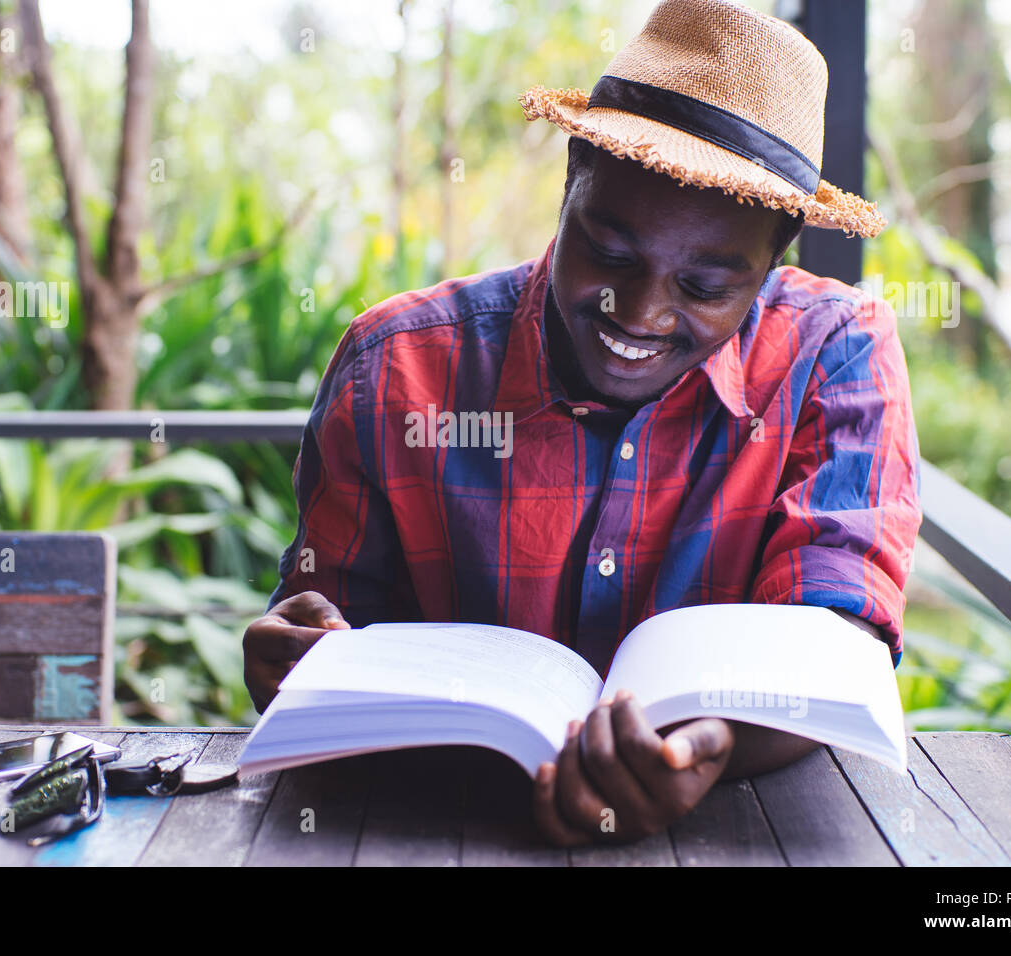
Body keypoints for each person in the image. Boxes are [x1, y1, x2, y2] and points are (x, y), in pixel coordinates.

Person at [243, 0, 922, 846]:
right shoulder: (394, 366)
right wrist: (299, 659)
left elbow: (837, 641)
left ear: (776, 258)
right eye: (608, 251)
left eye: (706, 288)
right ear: (572, 179)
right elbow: (325, 625)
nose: (637, 312)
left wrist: (698, 754)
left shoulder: (836, 355)